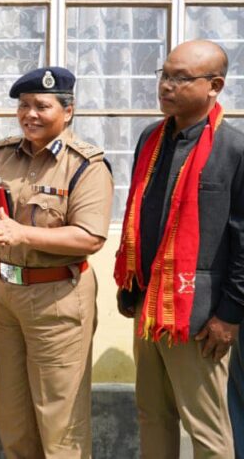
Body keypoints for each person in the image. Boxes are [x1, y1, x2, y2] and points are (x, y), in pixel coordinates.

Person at [0, 67, 113, 458]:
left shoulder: (86, 165)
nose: (29, 113)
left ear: (68, 111)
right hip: (8, 293)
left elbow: (90, 236)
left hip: (57, 298)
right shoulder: (4, 155)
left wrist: (21, 233)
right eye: (24, 105)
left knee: (60, 422)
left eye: (41, 106)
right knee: (13, 417)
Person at [115, 40, 242, 458]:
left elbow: (242, 240)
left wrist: (229, 315)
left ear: (214, 85)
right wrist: (129, 285)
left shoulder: (234, 149)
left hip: (199, 314)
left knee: (205, 427)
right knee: (152, 414)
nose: (166, 86)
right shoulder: (151, 139)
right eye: (164, 75)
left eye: (180, 78)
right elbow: (139, 214)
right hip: (149, 307)